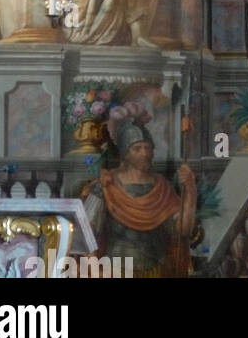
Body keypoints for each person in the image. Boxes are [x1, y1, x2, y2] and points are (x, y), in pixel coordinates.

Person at [82, 117, 195, 278]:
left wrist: (190, 190)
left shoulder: (163, 188)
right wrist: (93, 270)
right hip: (115, 271)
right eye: (137, 148)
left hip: (155, 270)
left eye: (147, 148)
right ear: (125, 154)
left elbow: (183, 229)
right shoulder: (107, 186)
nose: (144, 153)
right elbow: (87, 232)